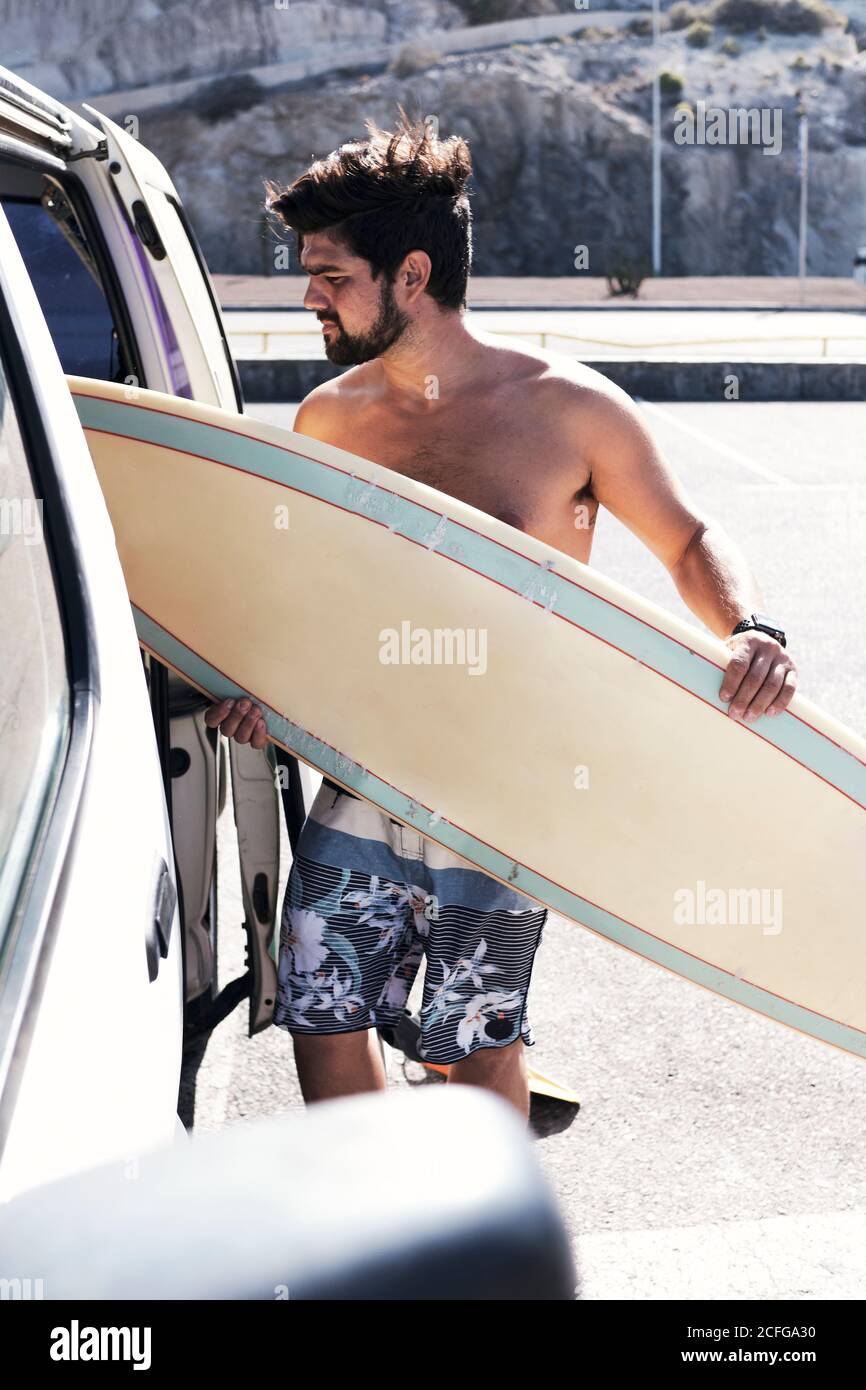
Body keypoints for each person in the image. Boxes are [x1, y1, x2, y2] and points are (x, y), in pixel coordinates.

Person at [205, 114, 798, 1120]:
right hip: (365, 773)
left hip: (502, 790)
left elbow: (687, 540)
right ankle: (371, 1243)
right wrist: (261, 683)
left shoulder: (566, 410)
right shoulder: (328, 420)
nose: (309, 295)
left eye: (330, 273)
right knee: (320, 1006)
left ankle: (484, 1242)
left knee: (474, 1046)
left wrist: (751, 630)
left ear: (410, 274)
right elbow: (304, 593)